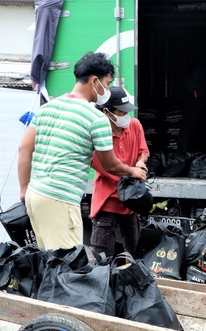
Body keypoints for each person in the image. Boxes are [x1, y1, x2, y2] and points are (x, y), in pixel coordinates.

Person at [17, 51, 147, 250]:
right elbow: (110, 164)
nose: (108, 90)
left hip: (36, 195)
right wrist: (132, 171)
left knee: (48, 262)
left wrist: (24, 189)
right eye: (107, 82)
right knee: (66, 266)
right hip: (60, 198)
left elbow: (24, 149)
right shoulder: (95, 118)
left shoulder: (47, 108)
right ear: (95, 81)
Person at [89, 86, 149, 258]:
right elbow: (111, 167)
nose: (125, 116)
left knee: (135, 255)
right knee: (102, 258)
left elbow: (143, 150)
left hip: (131, 203)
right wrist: (132, 172)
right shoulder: (100, 133)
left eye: (127, 111)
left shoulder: (135, 125)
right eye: (121, 112)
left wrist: (140, 161)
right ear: (107, 112)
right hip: (108, 201)